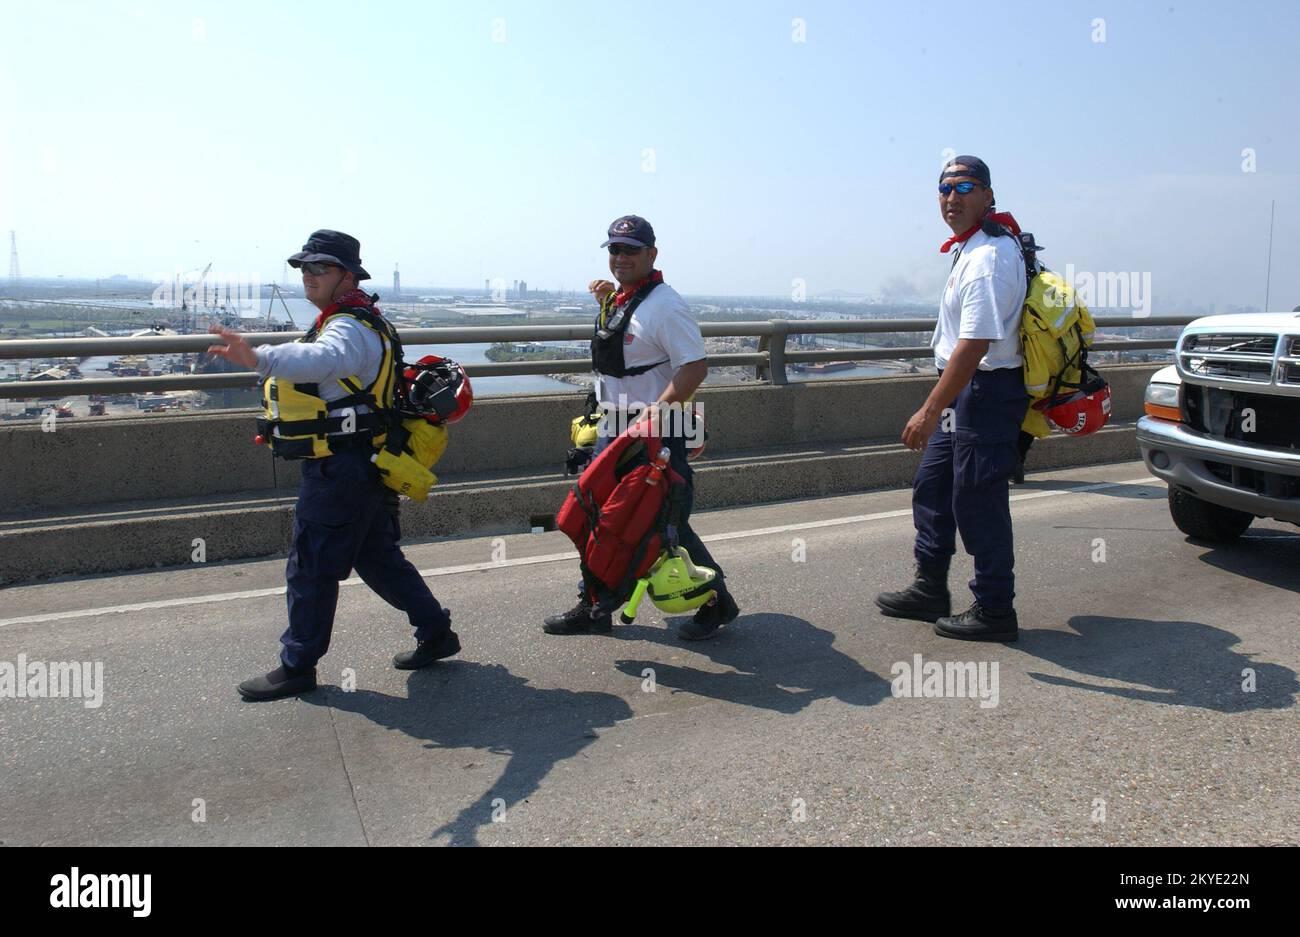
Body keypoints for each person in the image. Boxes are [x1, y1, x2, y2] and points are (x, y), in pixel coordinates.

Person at [208, 230, 460, 701]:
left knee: (311, 567)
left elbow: (324, 359)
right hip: (367, 463)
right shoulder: (364, 318)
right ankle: (436, 632)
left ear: (347, 275)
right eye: (304, 267)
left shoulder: (347, 326)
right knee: (379, 558)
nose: (308, 275)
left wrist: (257, 357)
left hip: (340, 470)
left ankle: (298, 664)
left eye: (320, 267)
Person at [543, 215, 740, 640]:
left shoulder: (665, 305)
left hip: (654, 433)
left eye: (631, 249)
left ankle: (715, 599)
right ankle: (595, 606)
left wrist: (659, 411)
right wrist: (605, 296)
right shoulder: (625, 299)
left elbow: (696, 366)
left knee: (663, 523)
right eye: (614, 249)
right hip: (614, 430)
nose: (621, 257)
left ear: (652, 254)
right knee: (600, 518)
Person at [875, 157, 1028, 642]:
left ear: (987, 195)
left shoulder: (988, 258)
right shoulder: (971, 248)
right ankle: (930, 588)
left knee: (977, 499)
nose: (952, 197)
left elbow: (975, 345)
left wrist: (928, 409)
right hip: (964, 392)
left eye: (965, 187)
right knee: (934, 484)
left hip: (984, 392)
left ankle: (995, 607)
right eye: (944, 188)